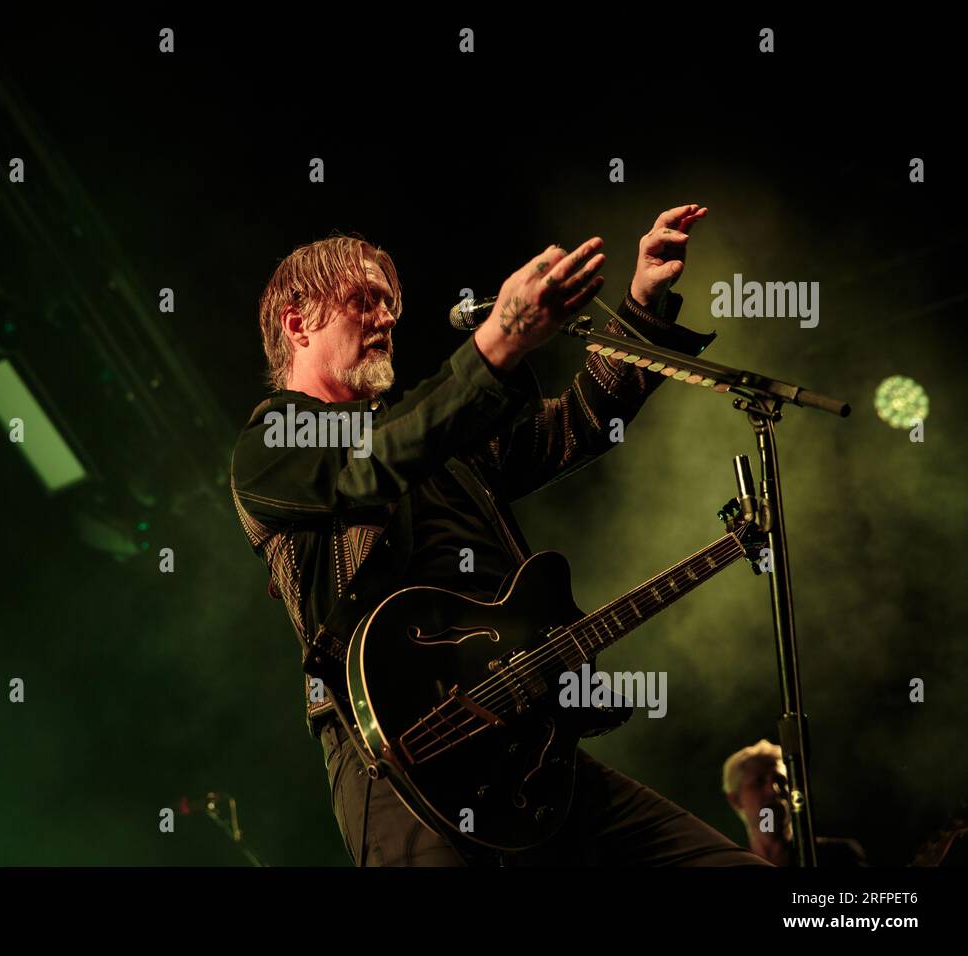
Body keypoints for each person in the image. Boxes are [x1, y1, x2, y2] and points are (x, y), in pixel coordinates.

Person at [231, 207, 768, 866]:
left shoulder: (442, 443)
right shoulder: (274, 445)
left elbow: (576, 425)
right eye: (364, 302)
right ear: (296, 321)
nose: (387, 319)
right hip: (400, 758)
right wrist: (500, 343)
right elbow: (372, 464)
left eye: (392, 305)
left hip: (521, 743)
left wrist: (642, 308)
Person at [723, 739, 866, 866]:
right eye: (758, 782)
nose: (773, 790)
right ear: (735, 800)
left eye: (781, 781)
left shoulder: (839, 857)